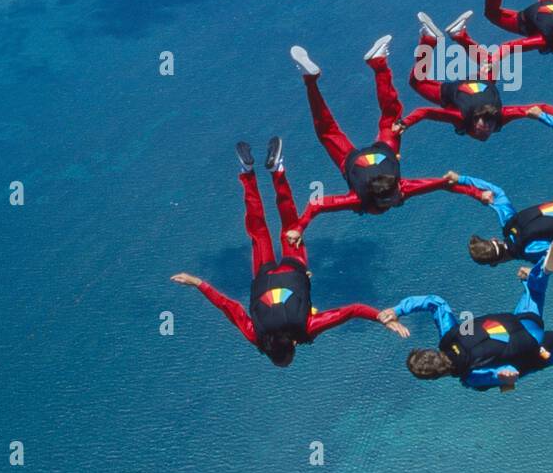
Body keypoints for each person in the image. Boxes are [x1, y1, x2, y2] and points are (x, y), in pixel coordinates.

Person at [169, 139, 409, 367]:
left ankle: (277, 169)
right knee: (258, 230)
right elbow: (228, 307)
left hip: (294, 268)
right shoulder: (255, 336)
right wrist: (196, 282)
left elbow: (352, 310)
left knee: (289, 224)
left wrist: (380, 317)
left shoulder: (308, 327)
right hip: (263, 273)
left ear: (293, 345)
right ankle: (248, 171)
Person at [286, 37, 491, 239]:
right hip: (365, 159)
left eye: (395, 195)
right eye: (396, 195)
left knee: (386, 117)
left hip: (376, 156)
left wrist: (478, 194)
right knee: (332, 130)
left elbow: (443, 183)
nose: (399, 195)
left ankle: (377, 64)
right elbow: (317, 205)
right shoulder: (382, 193)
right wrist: (299, 228)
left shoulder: (372, 196)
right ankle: (315, 79)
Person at [385, 237, 553, 391]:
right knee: (534, 288)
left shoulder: (470, 376)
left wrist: (505, 379)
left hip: (541, 346)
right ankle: (539, 270)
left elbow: (501, 375)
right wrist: (397, 310)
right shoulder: (449, 335)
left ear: (436, 377)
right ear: (431, 352)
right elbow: (435, 303)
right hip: (521, 318)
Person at [398, 11, 553, 141]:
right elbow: (426, 112)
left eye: (481, 131)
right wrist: (404, 123)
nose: (484, 132)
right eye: (486, 130)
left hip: (482, 83)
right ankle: (443, 38)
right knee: (417, 81)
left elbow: (424, 113)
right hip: (465, 88)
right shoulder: (469, 116)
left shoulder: (494, 116)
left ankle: (455, 36)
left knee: (489, 63)